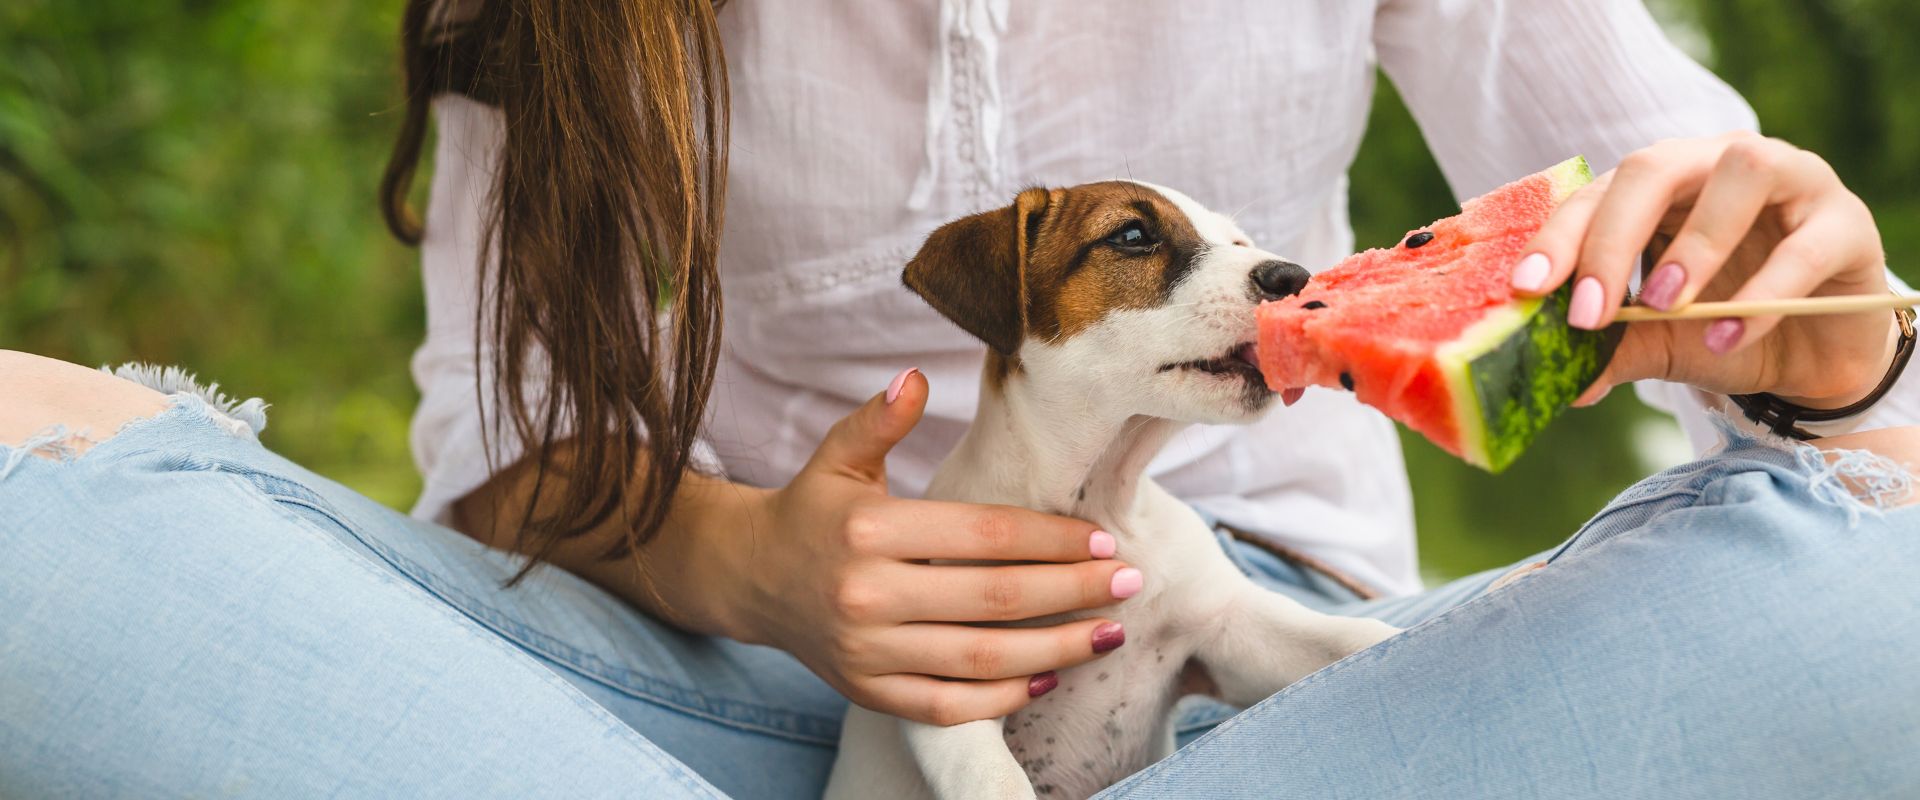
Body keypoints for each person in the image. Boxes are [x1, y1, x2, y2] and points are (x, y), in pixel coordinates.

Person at [3, 1, 1918, 797]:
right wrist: (751, 555)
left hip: (1309, 693)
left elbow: (1733, 300)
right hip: (714, 702)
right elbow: (498, 477)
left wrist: (1838, 358)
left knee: (1882, 599)